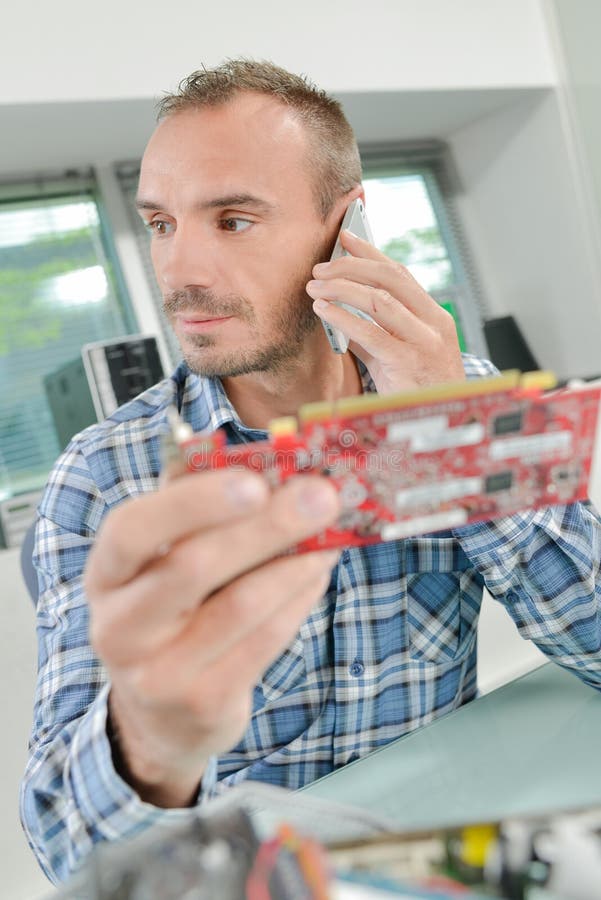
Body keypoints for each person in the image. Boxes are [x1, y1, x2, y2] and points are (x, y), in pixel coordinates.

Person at [21, 59, 601, 884]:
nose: (180, 272)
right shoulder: (104, 477)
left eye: (232, 219)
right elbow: (68, 857)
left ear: (347, 229)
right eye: (159, 224)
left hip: (437, 857)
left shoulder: (458, 398)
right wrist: (148, 739)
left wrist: (452, 439)